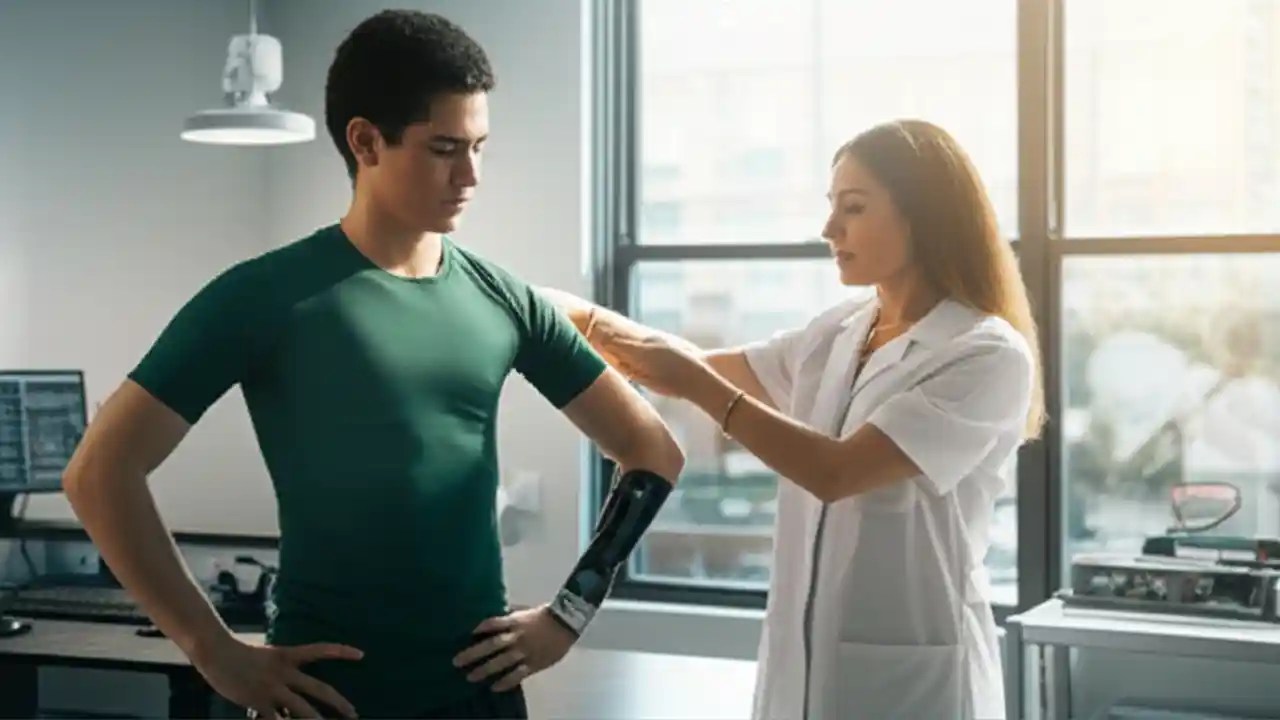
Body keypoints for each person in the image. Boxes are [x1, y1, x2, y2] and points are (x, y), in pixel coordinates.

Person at [61, 10, 683, 720]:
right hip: (324, 694)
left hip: (477, 692)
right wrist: (211, 648)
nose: (471, 174)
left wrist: (570, 612)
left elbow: (652, 450)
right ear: (366, 141)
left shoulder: (507, 301)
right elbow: (98, 473)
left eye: (480, 146)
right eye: (445, 148)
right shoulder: (262, 296)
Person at [537, 119, 1045, 720]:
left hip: (916, 683)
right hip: (799, 670)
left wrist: (697, 383)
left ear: (923, 215)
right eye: (832, 207)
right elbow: (689, 364)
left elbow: (835, 470)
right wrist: (557, 313)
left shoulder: (984, 354)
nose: (830, 229)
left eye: (852, 208)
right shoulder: (838, 330)